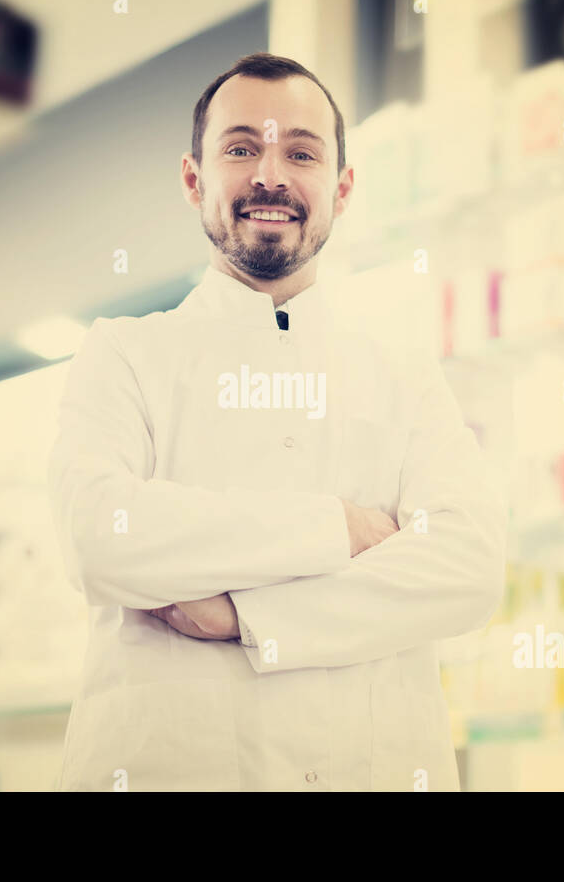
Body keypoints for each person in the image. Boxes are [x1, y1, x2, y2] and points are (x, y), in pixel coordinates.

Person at [48, 52, 504, 791]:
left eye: (300, 151)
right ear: (194, 178)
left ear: (341, 189)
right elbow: (98, 537)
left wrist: (244, 616)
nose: (270, 175)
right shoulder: (125, 353)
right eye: (240, 149)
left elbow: (470, 568)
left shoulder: (402, 373)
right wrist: (338, 529)